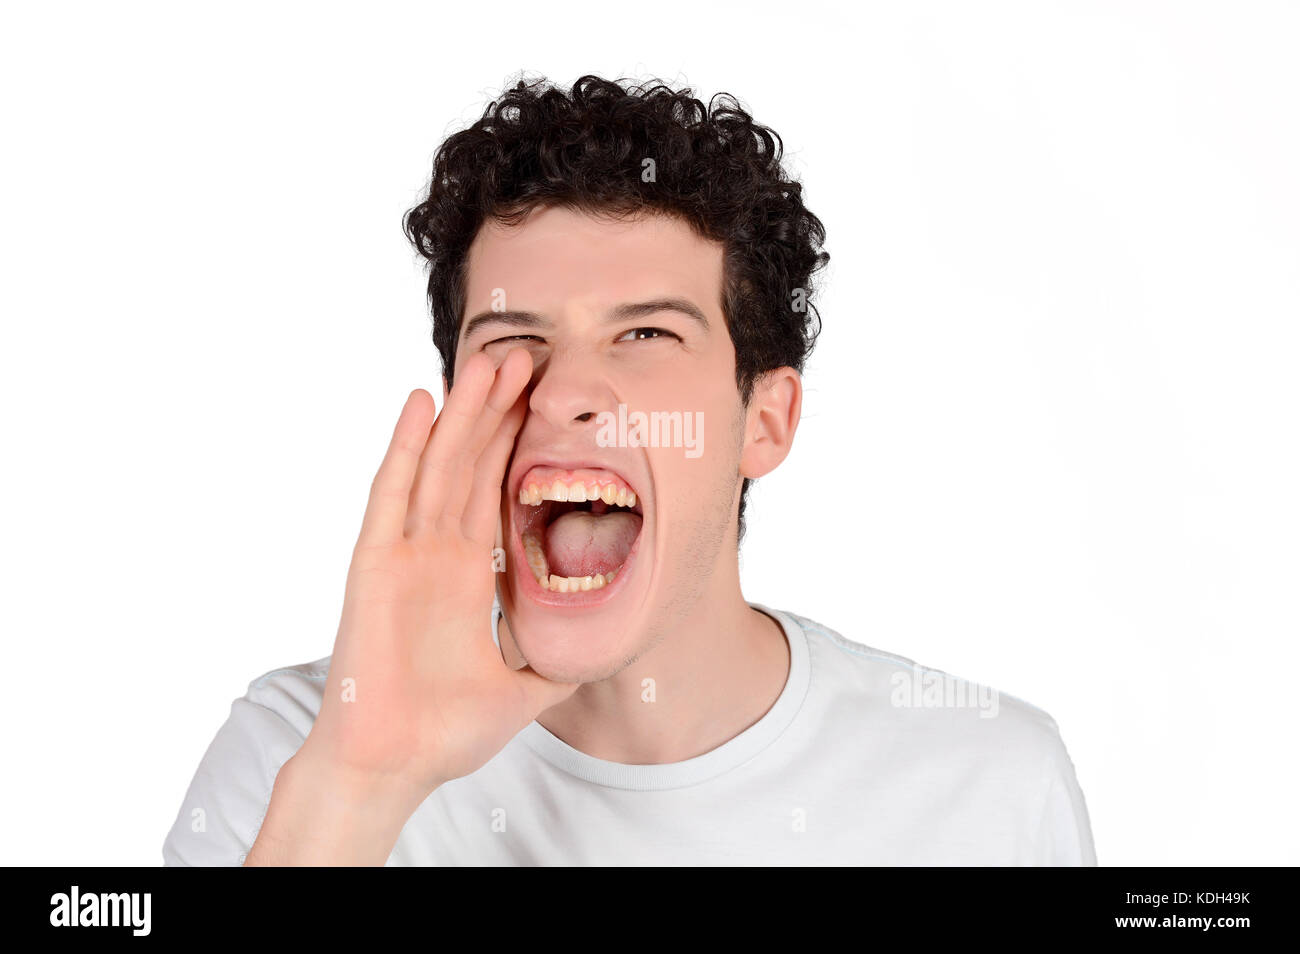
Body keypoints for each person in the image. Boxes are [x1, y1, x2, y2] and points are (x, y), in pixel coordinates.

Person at [163, 74, 1096, 866]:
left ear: (763, 423)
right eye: (513, 339)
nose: (566, 390)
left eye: (645, 333)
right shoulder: (302, 753)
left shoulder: (988, 786)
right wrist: (362, 788)